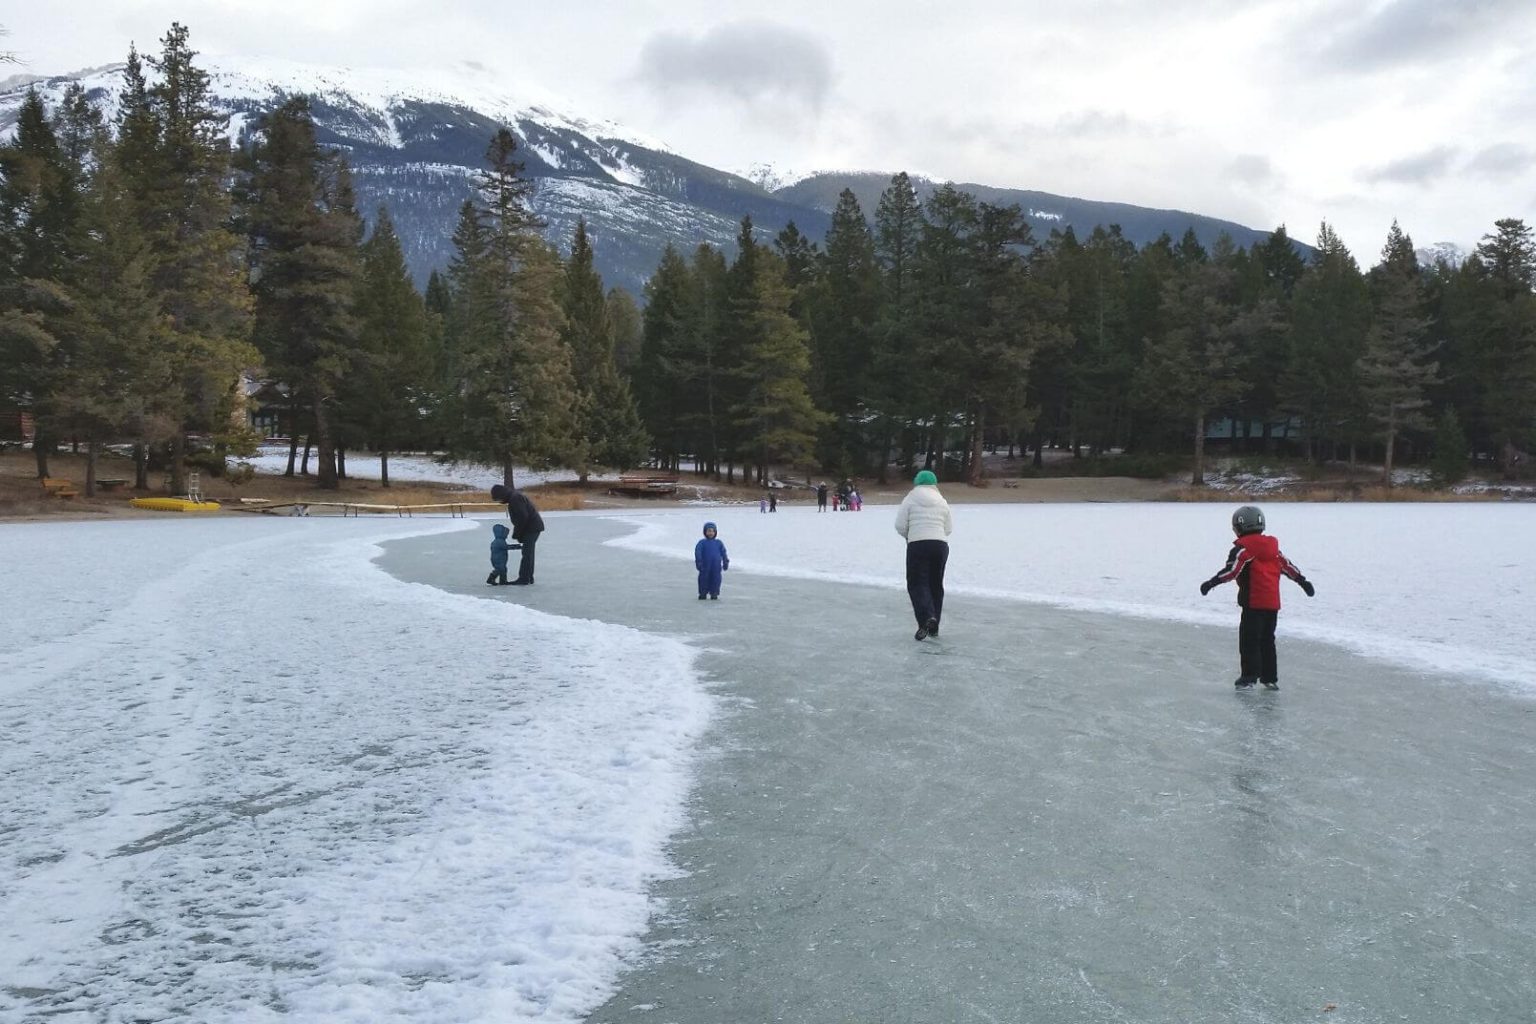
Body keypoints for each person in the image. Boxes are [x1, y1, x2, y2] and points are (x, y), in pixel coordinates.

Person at [1199, 505, 1316, 689]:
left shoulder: (1243, 549)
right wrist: (1303, 582)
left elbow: (1231, 571)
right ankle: (1270, 678)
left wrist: (1211, 583)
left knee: (1249, 641)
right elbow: (1288, 567)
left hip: (1252, 604)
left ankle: (1249, 677)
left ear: (1240, 527)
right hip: (1272, 605)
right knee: (1267, 640)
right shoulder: (1273, 549)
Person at [894, 469, 953, 640]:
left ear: (917, 482)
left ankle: (927, 619)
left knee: (917, 583)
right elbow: (948, 528)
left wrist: (909, 535)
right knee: (936, 584)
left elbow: (900, 525)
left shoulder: (910, 499)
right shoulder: (942, 501)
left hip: (918, 544)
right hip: (940, 545)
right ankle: (934, 626)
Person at [490, 483, 544, 585]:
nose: (500, 502)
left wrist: (517, 533)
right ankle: (528, 577)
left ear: (501, 495)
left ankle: (524, 578)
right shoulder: (514, 497)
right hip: (533, 527)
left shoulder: (515, 499)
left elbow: (523, 517)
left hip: (531, 528)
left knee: (527, 554)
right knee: (528, 553)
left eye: (498, 499)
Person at [694, 521, 729, 600]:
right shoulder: (702, 543)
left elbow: (723, 553)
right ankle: (703, 593)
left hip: (716, 567)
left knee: (716, 580)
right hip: (705, 566)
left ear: (715, 532)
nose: (711, 533)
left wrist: (725, 561)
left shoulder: (719, 543)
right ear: (705, 532)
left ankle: (714, 593)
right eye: (708, 531)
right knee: (703, 580)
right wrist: (699, 562)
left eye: (712, 531)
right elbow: (697, 552)